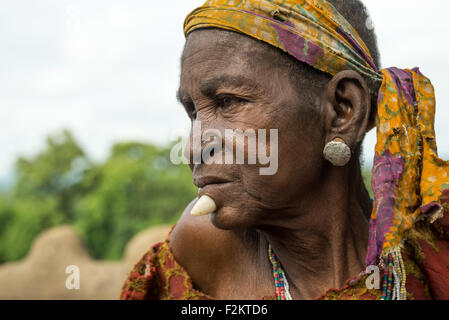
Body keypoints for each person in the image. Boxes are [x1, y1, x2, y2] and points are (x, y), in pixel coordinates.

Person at [120, 0, 449, 300]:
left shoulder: (435, 259)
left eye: (228, 102)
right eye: (193, 111)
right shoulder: (202, 254)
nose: (193, 149)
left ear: (342, 110)